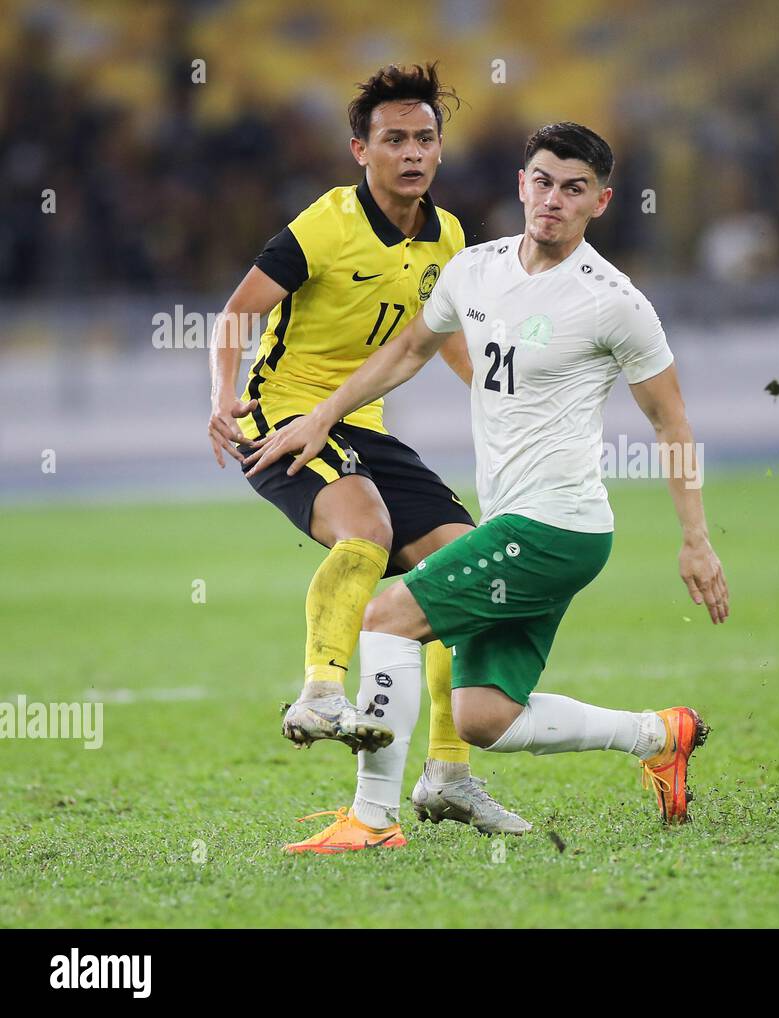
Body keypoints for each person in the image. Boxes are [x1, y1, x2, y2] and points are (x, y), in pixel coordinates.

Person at [245, 122, 728, 848]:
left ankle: (371, 821)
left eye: (573, 189)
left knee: (383, 620)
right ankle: (661, 735)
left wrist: (696, 539)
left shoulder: (614, 301)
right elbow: (409, 350)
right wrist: (324, 416)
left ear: (602, 201)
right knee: (484, 718)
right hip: (519, 525)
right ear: (521, 183)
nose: (553, 199)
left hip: (556, 528)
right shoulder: (474, 269)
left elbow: (672, 423)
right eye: (542, 180)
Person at [210, 64, 528, 850]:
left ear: (440, 150)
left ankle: (449, 778)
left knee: (469, 574)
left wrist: (502, 402)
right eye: (395, 140)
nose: (412, 153)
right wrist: (224, 398)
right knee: (368, 531)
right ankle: (320, 692)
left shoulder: (449, 238)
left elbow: (448, 340)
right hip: (286, 416)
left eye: (425, 139)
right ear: (362, 149)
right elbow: (236, 314)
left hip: (361, 425)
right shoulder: (326, 224)